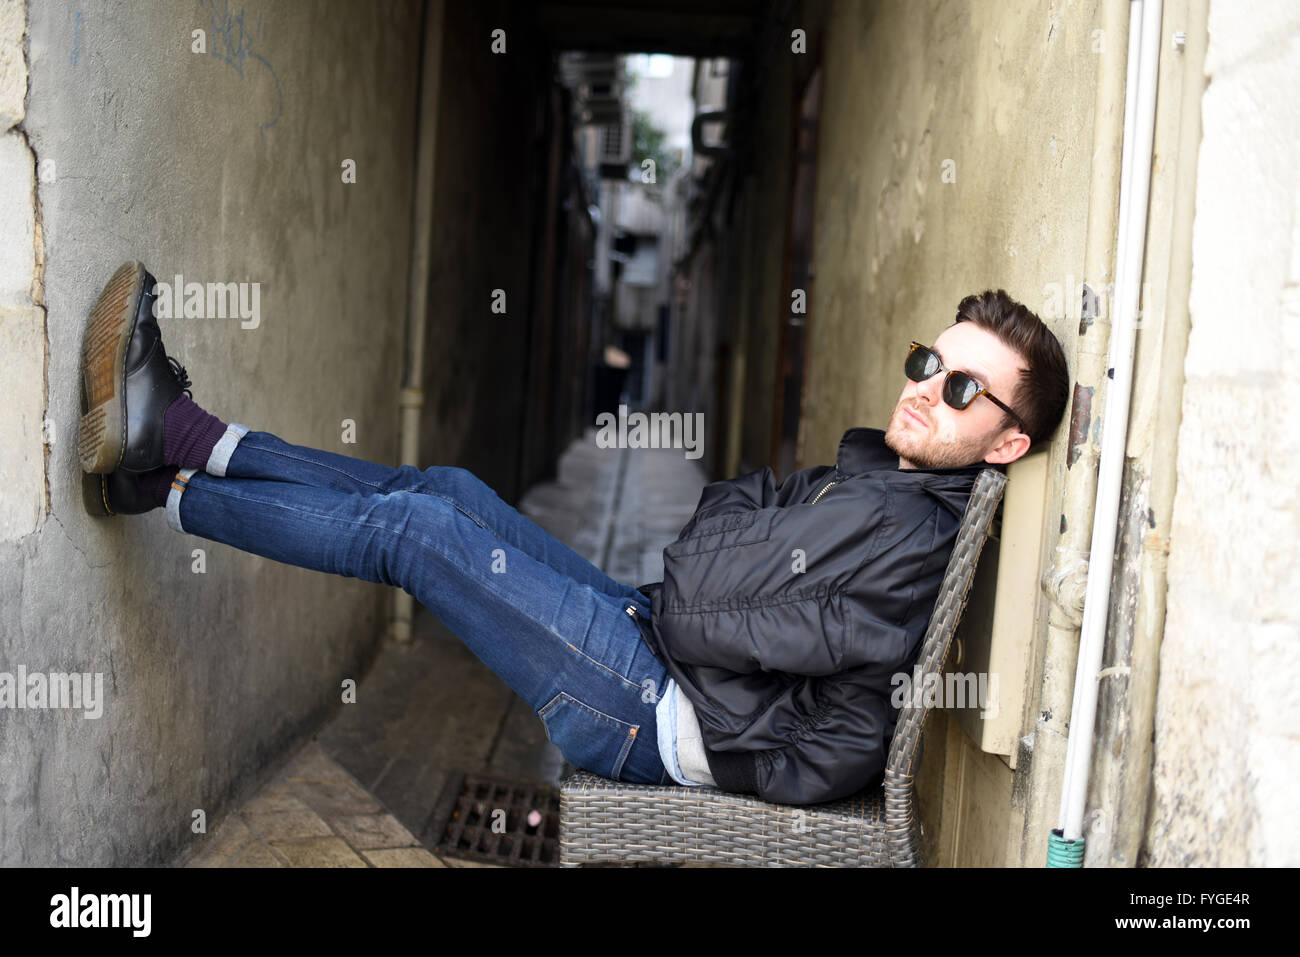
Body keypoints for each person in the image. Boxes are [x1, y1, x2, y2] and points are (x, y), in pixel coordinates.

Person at [79, 261, 1069, 806]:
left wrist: (731, 538)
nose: (925, 390)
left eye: (963, 389)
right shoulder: (885, 480)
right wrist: (732, 537)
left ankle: (165, 470)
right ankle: (184, 444)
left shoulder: (893, 525)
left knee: (418, 534)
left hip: (659, 710)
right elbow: (735, 515)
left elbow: (701, 571)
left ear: (1007, 440)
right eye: (928, 362)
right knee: (450, 489)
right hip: (668, 656)